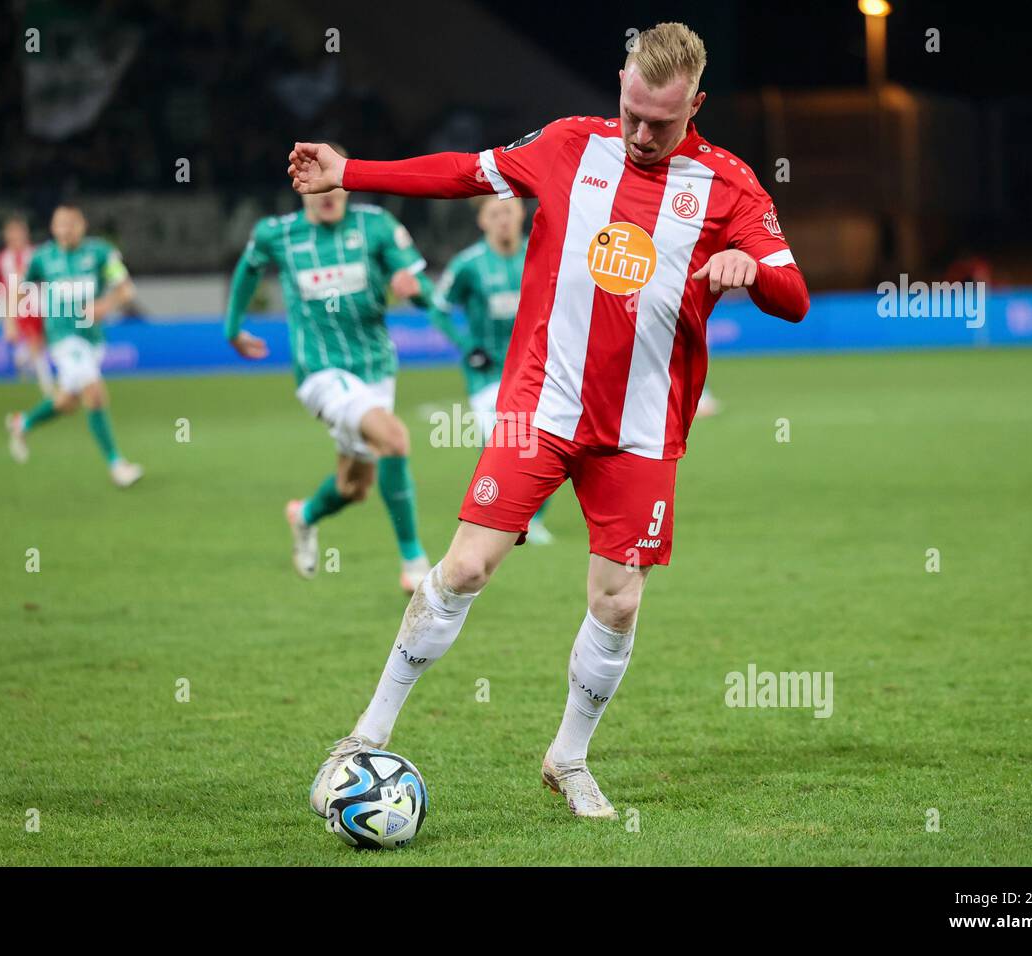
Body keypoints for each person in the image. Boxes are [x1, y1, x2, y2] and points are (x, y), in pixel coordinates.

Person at [294, 22, 809, 819]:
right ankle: (367, 732)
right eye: (632, 112)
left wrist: (752, 273)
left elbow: (794, 295)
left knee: (619, 601)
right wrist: (350, 170)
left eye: (661, 123)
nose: (641, 134)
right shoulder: (571, 143)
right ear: (621, 84)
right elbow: (465, 174)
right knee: (464, 568)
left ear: (696, 105)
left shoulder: (729, 184)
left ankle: (568, 758)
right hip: (538, 405)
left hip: (640, 427)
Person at [225, 145, 433, 594]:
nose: (326, 189)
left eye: (332, 176)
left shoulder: (375, 225)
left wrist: (414, 291)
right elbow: (247, 269)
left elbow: (420, 285)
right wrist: (232, 327)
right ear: (300, 185)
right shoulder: (276, 234)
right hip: (320, 372)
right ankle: (414, 561)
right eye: (313, 177)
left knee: (354, 487)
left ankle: (304, 516)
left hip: (376, 368)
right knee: (395, 438)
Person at [427, 195, 554, 544]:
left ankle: (531, 520)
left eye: (509, 212)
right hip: (489, 373)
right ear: (482, 221)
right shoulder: (468, 264)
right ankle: (506, 517)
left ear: (520, 215)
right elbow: (439, 310)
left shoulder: (541, 253)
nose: (503, 220)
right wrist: (468, 346)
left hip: (535, 368)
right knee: (505, 444)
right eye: (495, 214)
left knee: (545, 442)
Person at [4, 204, 144, 488]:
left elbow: (127, 289)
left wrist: (106, 304)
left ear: (83, 226)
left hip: (92, 339)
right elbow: (19, 288)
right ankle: (117, 465)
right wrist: (9, 322)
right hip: (62, 336)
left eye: (71, 224)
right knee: (94, 392)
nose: (65, 230)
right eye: (60, 225)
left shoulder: (101, 253)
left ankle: (22, 424)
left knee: (67, 402)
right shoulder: (42, 258)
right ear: (53, 228)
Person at [0, 214, 53, 397]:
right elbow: (3, 286)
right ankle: (48, 386)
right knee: (35, 342)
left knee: (44, 342)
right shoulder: (3, 259)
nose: (15, 237)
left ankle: (21, 357)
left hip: (42, 302)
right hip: (22, 306)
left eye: (19, 233)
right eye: (11, 233)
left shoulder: (36, 253)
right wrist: (8, 318)